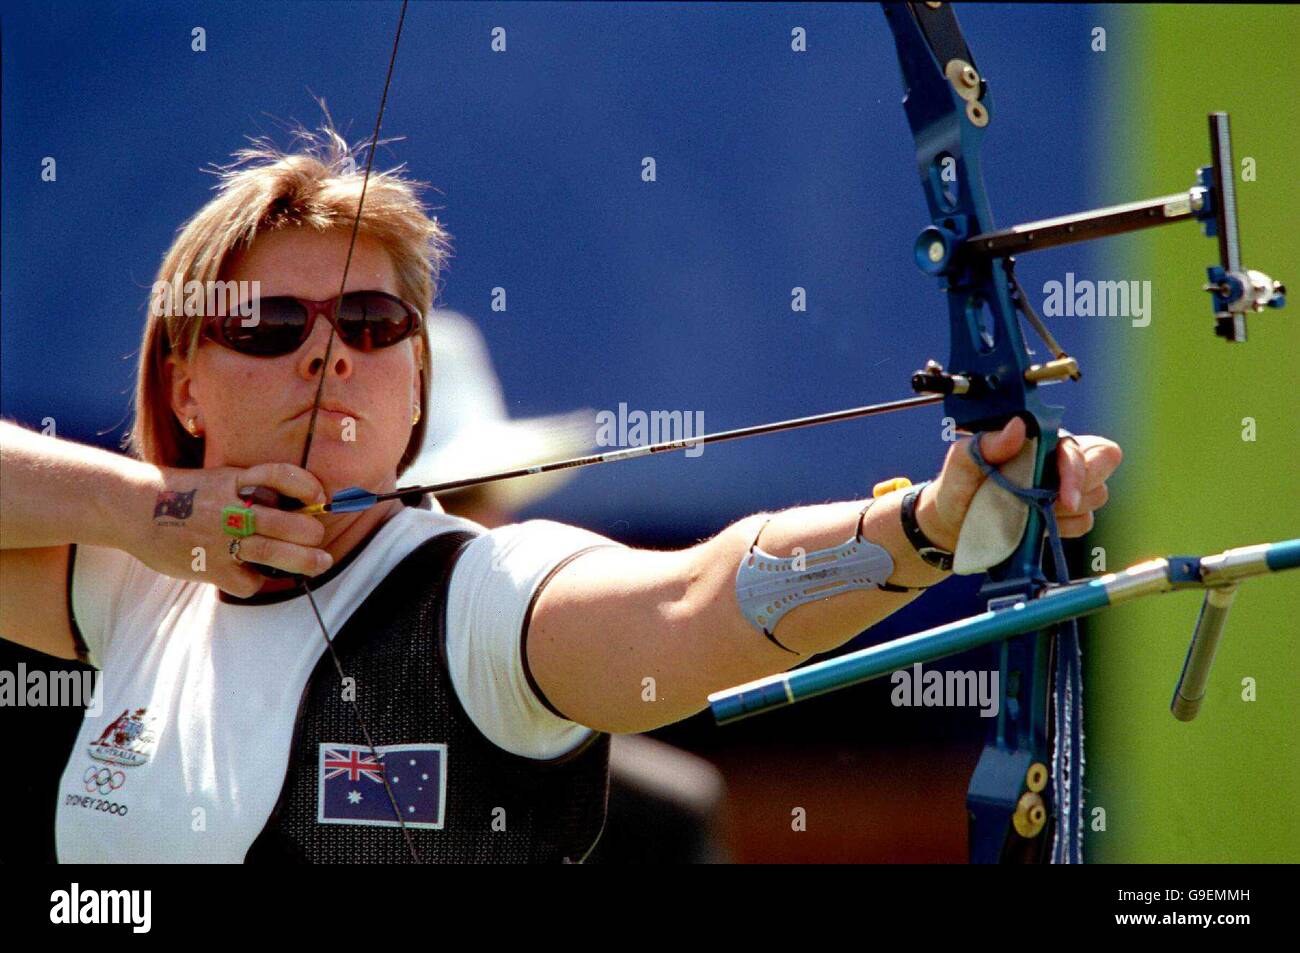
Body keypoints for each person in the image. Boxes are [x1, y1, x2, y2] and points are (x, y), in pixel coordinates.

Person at [0, 126, 1122, 863]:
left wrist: (923, 530)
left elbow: (689, 599)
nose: (327, 354)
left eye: (371, 324)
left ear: (411, 382)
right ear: (182, 381)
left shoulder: (479, 595)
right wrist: (136, 511)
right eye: (270, 325)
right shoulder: (132, 582)